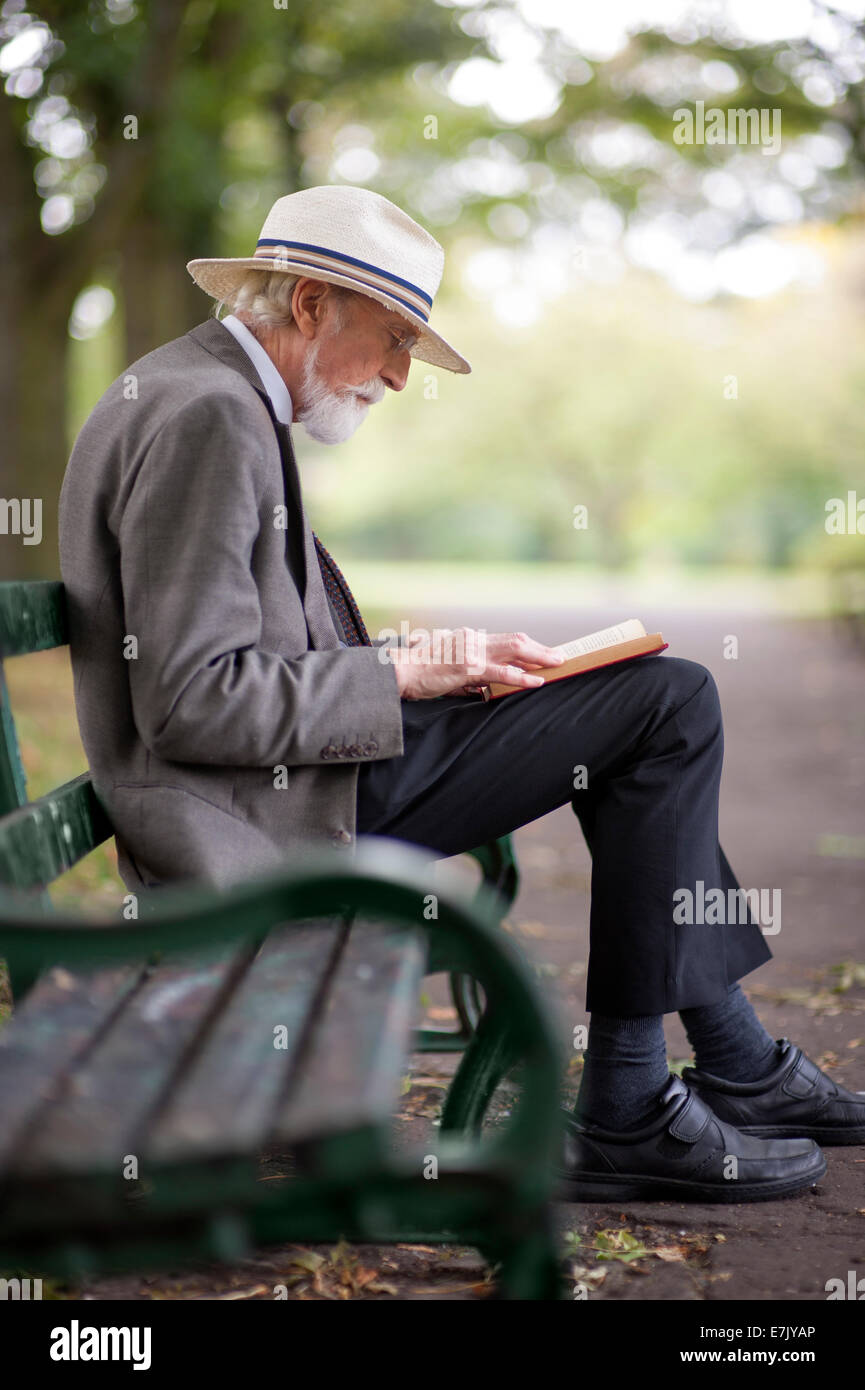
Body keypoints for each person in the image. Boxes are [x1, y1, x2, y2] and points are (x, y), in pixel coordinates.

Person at [58, 185, 865, 1205]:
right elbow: (193, 702)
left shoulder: (209, 394)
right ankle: (634, 1102)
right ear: (309, 304)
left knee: (639, 700)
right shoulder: (210, 417)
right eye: (395, 340)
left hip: (297, 782)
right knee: (667, 706)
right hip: (269, 819)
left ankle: (725, 1062)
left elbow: (238, 654)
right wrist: (396, 673)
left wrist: (430, 657)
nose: (401, 376)